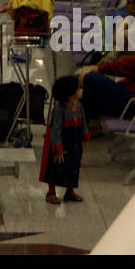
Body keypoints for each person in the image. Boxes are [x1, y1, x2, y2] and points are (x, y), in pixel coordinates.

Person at [76, 11, 135, 119]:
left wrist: (98, 69)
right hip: (133, 96)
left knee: (90, 78)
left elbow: (130, 66)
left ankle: (81, 124)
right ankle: (83, 124)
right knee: (90, 89)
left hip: (134, 103)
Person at [41, 75, 87, 204]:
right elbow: (56, 130)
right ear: (70, 94)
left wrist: (85, 134)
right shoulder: (59, 110)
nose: (81, 90)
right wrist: (58, 148)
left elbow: (83, 122)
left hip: (75, 143)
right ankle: (51, 192)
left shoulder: (79, 106)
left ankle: (70, 191)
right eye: (78, 88)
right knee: (56, 167)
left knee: (74, 166)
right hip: (61, 143)